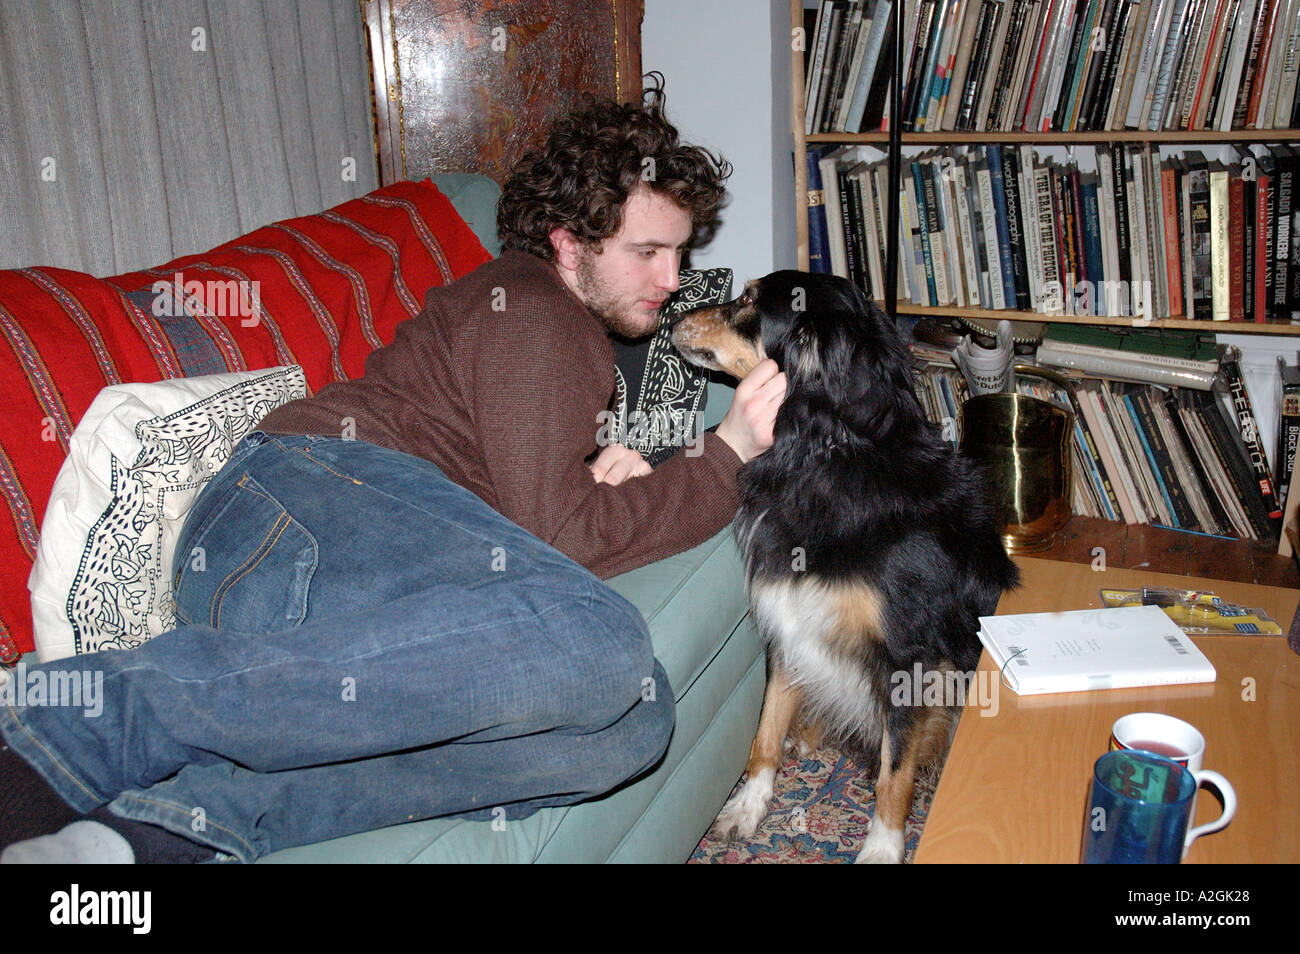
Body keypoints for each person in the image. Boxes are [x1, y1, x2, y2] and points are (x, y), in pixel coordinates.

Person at [0, 82, 787, 863]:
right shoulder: (533, 305)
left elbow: (531, 514)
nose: (673, 279)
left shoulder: (535, 323)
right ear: (568, 243)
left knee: (635, 721)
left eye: (680, 253)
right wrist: (727, 453)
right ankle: (75, 720)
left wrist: (597, 476)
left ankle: (162, 828)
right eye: (648, 252)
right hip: (303, 498)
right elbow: (564, 535)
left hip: (308, 581)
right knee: (603, 641)